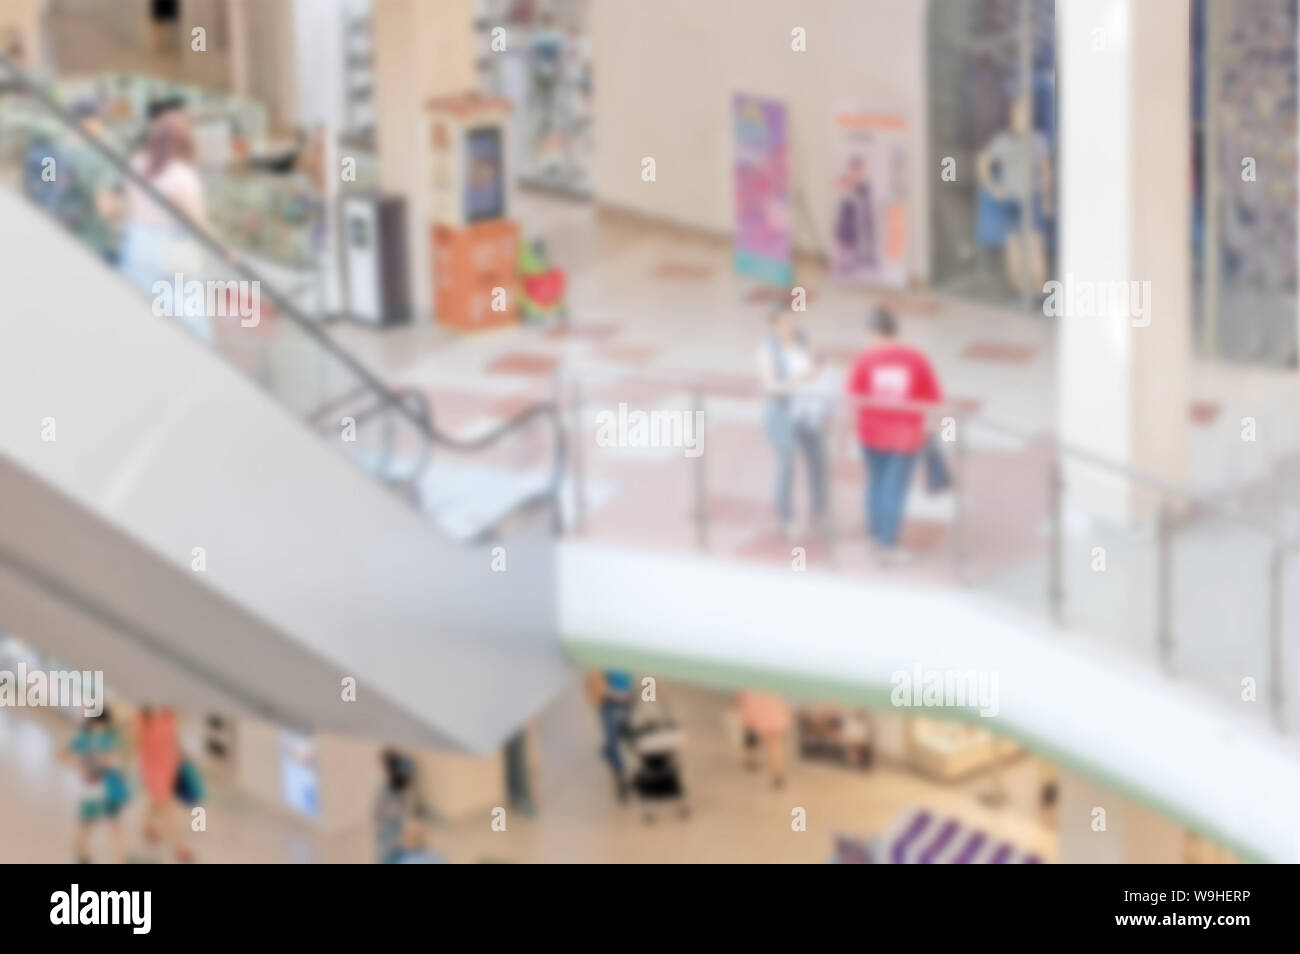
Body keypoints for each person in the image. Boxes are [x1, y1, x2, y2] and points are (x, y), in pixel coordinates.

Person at [846, 307, 943, 563]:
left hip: (870, 433)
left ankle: (877, 537)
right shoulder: (915, 358)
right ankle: (887, 544)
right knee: (894, 488)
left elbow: (853, 398)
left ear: (875, 332)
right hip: (905, 436)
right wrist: (932, 426)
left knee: (876, 484)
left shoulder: (866, 360)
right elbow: (933, 398)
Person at [118, 109, 212, 341]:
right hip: (171, 250)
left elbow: (126, 205)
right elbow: (196, 221)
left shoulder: (136, 164)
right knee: (186, 318)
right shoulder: (182, 175)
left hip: (136, 243)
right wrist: (223, 248)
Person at [758, 308, 828, 539]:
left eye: (793, 322)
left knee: (817, 459)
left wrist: (818, 366)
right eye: (785, 323)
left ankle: (819, 512)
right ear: (774, 325)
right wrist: (798, 379)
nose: (791, 327)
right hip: (781, 411)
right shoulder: (767, 349)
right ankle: (785, 518)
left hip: (806, 408)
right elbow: (770, 387)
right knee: (787, 462)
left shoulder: (801, 338)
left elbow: (814, 362)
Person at [64, 707, 129, 864]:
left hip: (110, 788)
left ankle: (119, 860)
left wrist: (110, 760)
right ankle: (81, 851)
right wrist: (79, 766)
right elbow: (63, 754)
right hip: (91, 788)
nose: (99, 728)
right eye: (95, 724)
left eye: (102, 725)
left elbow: (119, 756)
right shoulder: (83, 738)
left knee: (115, 824)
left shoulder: (112, 737)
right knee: (87, 824)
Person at [136, 706, 195, 863]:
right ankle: (179, 847)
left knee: (157, 801)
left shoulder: (171, 713)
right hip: (151, 766)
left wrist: (183, 754)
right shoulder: (142, 715)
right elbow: (135, 742)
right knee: (167, 805)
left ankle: (147, 828)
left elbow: (174, 738)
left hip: (169, 764)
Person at [586, 669, 633, 801]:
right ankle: (621, 776)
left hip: (626, 700)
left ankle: (610, 754)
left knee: (621, 734)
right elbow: (594, 678)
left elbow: (647, 677)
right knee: (614, 741)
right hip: (609, 702)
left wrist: (649, 696)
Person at [374, 749, 427, 864]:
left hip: (399, 836)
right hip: (391, 836)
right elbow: (378, 813)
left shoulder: (404, 769)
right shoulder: (385, 790)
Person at [735, 691, 791, 789]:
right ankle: (777, 772)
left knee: (751, 730)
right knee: (773, 739)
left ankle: (752, 759)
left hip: (754, 699)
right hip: (771, 700)